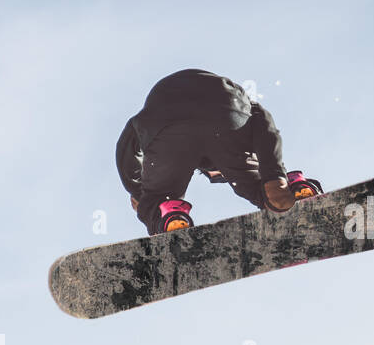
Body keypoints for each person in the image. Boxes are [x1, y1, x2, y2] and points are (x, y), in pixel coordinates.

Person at [116, 69, 322, 235]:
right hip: (227, 109)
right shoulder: (233, 143)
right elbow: (264, 124)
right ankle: (293, 187)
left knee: (158, 199)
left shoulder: (153, 121)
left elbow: (127, 145)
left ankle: (169, 216)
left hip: (165, 123)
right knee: (255, 184)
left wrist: (141, 194)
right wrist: (274, 176)